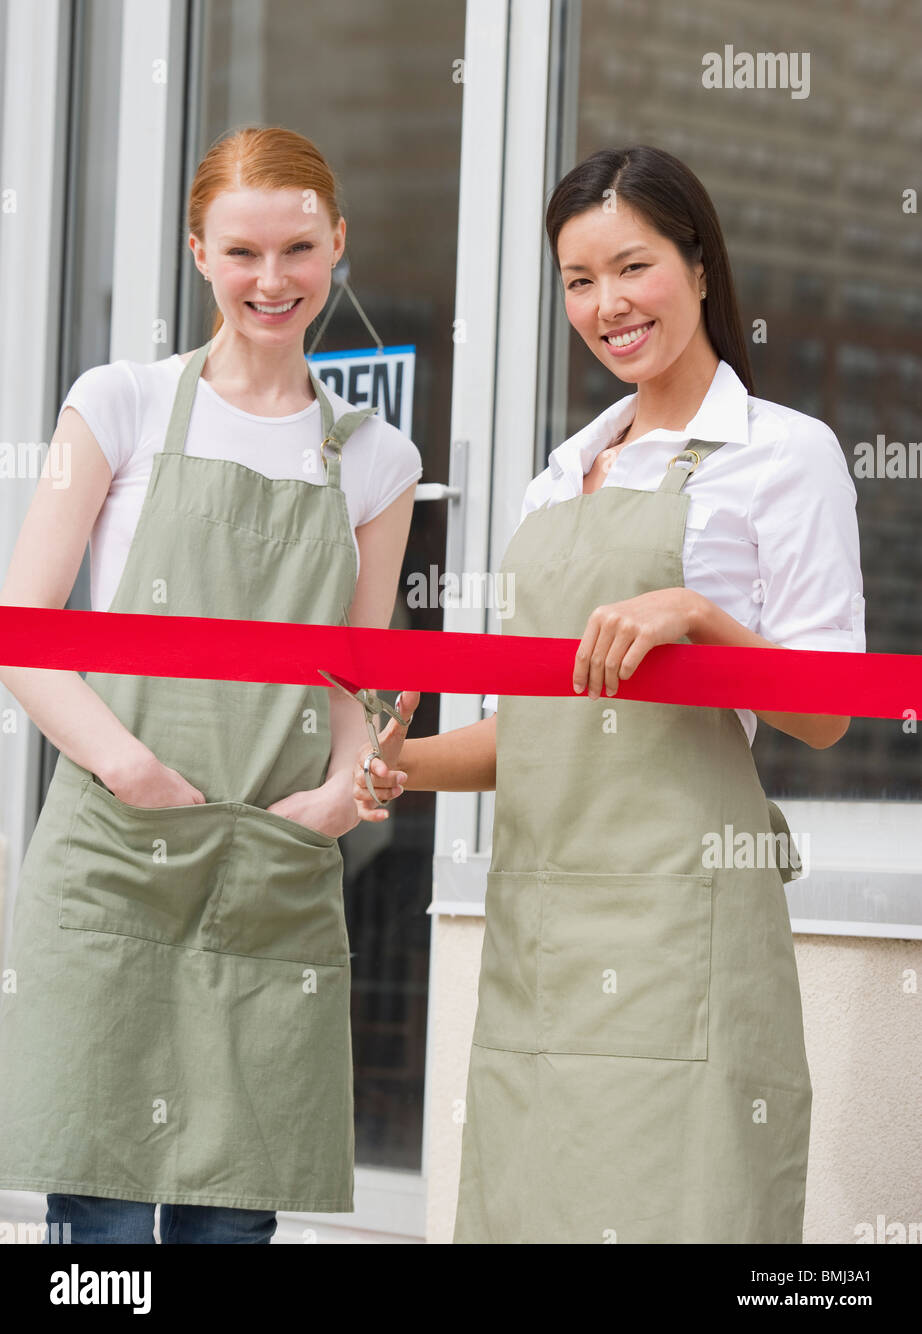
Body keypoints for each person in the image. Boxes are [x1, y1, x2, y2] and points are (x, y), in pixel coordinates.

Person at [352, 145, 865, 1244]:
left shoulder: (782, 454)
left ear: (698, 265)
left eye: (632, 267)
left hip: (684, 924)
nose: (607, 304)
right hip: (546, 928)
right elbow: (539, 726)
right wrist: (394, 762)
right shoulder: (557, 476)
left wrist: (699, 616)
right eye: (578, 280)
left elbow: (826, 710)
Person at [0, 125, 422, 1244]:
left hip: (269, 856)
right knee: (94, 1211)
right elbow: (24, 632)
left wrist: (339, 797)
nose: (271, 281)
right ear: (198, 253)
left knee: (229, 1217)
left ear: (338, 244)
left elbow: (358, 679)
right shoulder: (119, 401)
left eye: (297, 248)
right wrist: (128, 765)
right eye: (241, 252)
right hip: (116, 846)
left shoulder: (378, 460)